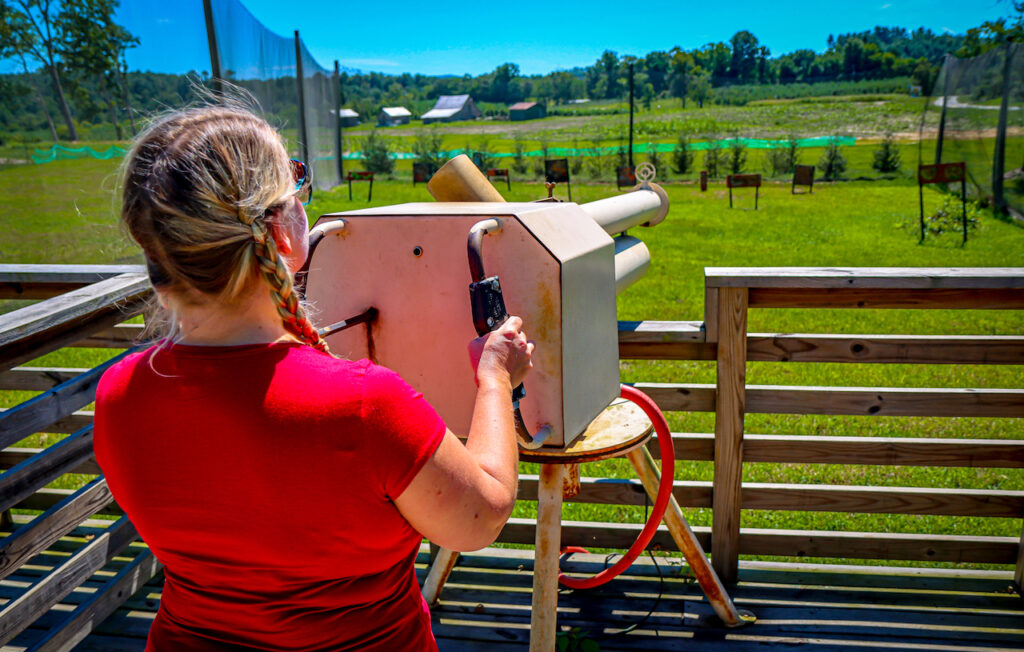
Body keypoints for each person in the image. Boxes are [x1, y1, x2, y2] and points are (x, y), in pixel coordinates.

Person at [93, 103, 533, 651]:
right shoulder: (366, 405)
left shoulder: (119, 396)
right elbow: (481, 516)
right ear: (279, 230)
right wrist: (494, 378)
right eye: (296, 183)